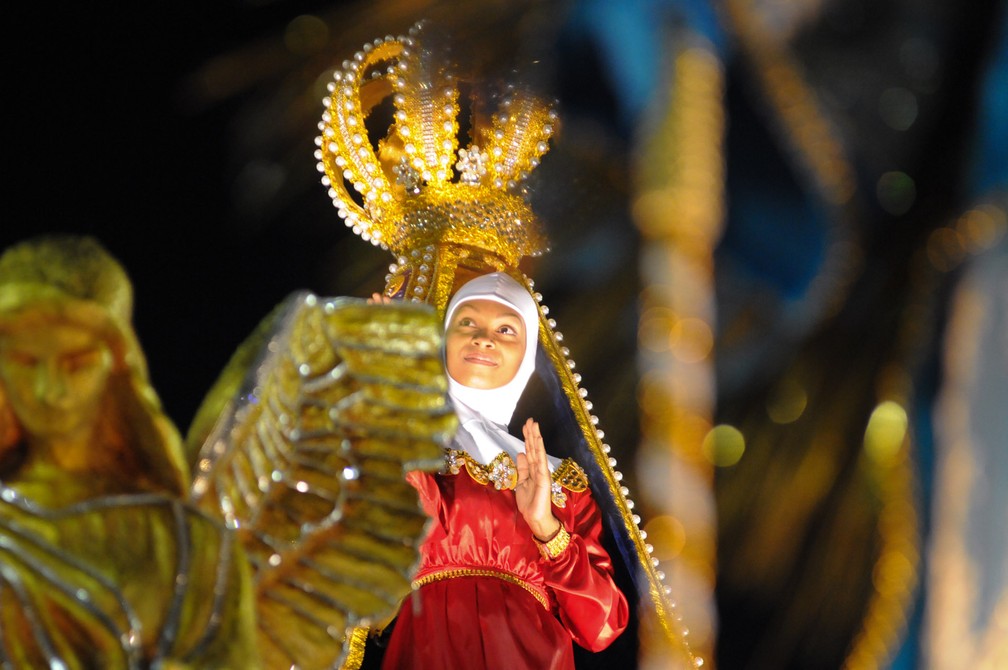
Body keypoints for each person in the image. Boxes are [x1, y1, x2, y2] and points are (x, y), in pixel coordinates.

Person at [0, 235, 259, 669]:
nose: (51, 392)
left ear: (117, 365)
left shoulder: (190, 543)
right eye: (26, 363)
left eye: (76, 363)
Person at [377, 272, 629, 669]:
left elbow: (601, 626)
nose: (484, 338)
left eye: (506, 329)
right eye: (467, 323)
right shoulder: (411, 439)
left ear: (527, 353)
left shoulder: (557, 479)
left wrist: (546, 528)